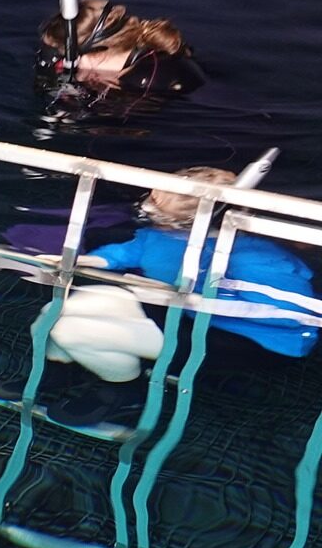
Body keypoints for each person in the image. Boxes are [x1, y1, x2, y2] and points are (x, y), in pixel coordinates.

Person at [20, 165, 317, 425]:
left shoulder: (256, 259)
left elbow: (294, 316)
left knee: (72, 331)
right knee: (56, 311)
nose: (145, 209)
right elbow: (128, 251)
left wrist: (183, 298)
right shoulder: (163, 234)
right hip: (187, 311)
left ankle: (124, 391)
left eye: (155, 207)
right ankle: (59, 372)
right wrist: (83, 261)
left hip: (254, 339)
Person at [36, 0, 205, 97]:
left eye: (64, 55)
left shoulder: (145, 80)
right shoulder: (147, 55)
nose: (61, 62)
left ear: (95, 53)